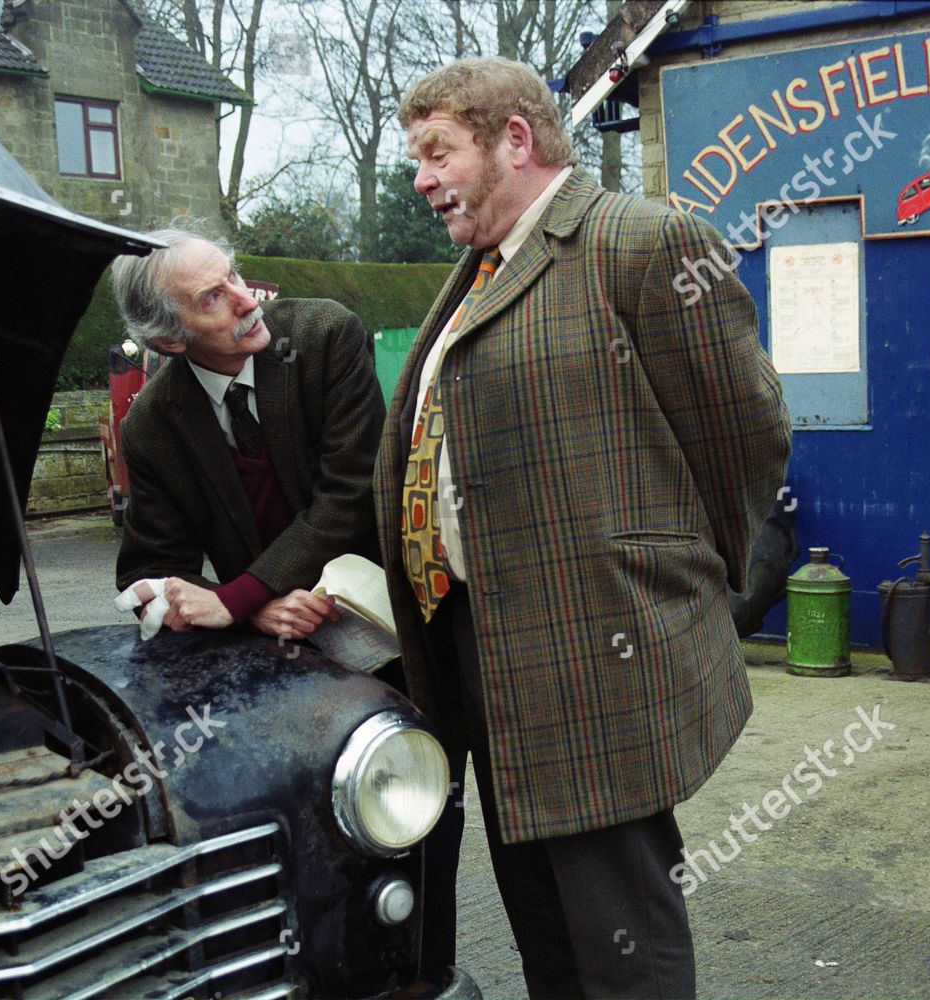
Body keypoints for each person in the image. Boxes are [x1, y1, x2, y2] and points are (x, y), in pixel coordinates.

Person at [373, 59, 793, 998]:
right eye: (417, 160)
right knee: (547, 934)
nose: (422, 180)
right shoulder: (480, 268)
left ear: (515, 139)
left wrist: (674, 577)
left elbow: (748, 432)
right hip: (484, 647)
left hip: (597, 650)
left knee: (622, 941)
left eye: (438, 152)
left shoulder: (641, 241)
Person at [111, 228, 383, 641]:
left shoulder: (325, 336)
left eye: (233, 275)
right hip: (269, 653)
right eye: (212, 298)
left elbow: (353, 493)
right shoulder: (150, 426)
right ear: (170, 339)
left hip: (380, 621)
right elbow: (150, 570)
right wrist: (251, 611)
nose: (248, 301)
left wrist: (237, 600)